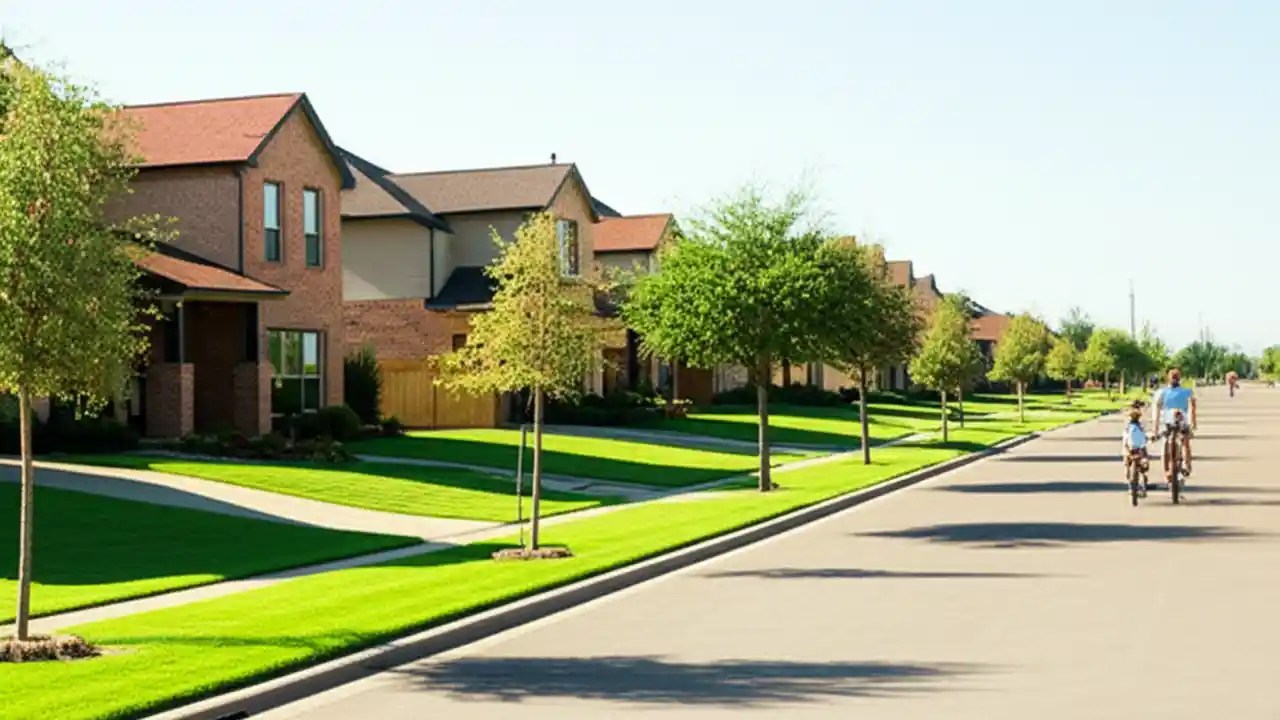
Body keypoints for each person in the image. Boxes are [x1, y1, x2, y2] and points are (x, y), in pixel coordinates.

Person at [1152, 368, 1197, 483]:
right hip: (1169, 421)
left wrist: (1193, 422)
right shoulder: (1164, 392)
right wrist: (1155, 429)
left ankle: (1185, 465)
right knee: (1174, 444)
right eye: (1174, 377)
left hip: (1178, 421)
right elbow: (1156, 410)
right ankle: (1177, 467)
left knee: (1182, 442)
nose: (1175, 379)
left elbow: (1192, 407)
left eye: (1176, 377)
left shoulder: (1185, 392)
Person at [1121, 407, 1150, 493]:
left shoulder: (1127, 427)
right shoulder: (1140, 427)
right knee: (1144, 463)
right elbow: (1145, 438)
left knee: (1127, 465)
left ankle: (1130, 484)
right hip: (1140, 449)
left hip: (1129, 449)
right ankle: (1143, 478)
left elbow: (1125, 439)